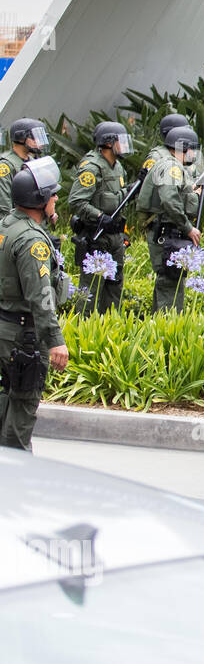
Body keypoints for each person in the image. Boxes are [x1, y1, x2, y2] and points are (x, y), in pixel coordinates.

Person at [0, 158, 69, 451]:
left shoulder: (7, 225)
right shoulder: (31, 241)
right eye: (52, 194)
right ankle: (14, 477)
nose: (55, 198)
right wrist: (55, 342)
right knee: (22, 408)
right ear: (39, 200)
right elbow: (40, 299)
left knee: (6, 400)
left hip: (5, 329)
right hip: (23, 335)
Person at [137, 126, 203, 313]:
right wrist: (188, 228)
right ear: (182, 147)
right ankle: (166, 331)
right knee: (170, 284)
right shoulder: (171, 167)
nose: (194, 154)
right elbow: (170, 200)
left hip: (168, 232)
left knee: (170, 282)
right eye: (192, 149)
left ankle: (158, 325)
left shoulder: (172, 165)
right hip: (166, 233)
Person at [67, 122, 131, 315]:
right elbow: (76, 201)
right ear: (109, 143)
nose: (124, 146)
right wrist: (99, 217)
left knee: (115, 285)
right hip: (96, 235)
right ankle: (83, 330)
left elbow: (118, 197)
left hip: (115, 237)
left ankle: (110, 330)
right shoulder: (92, 167)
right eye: (121, 141)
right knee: (90, 291)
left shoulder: (118, 167)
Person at [0, 118, 49, 216]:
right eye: (35, 136)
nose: (39, 141)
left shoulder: (33, 162)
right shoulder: (6, 166)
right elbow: (4, 207)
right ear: (21, 138)